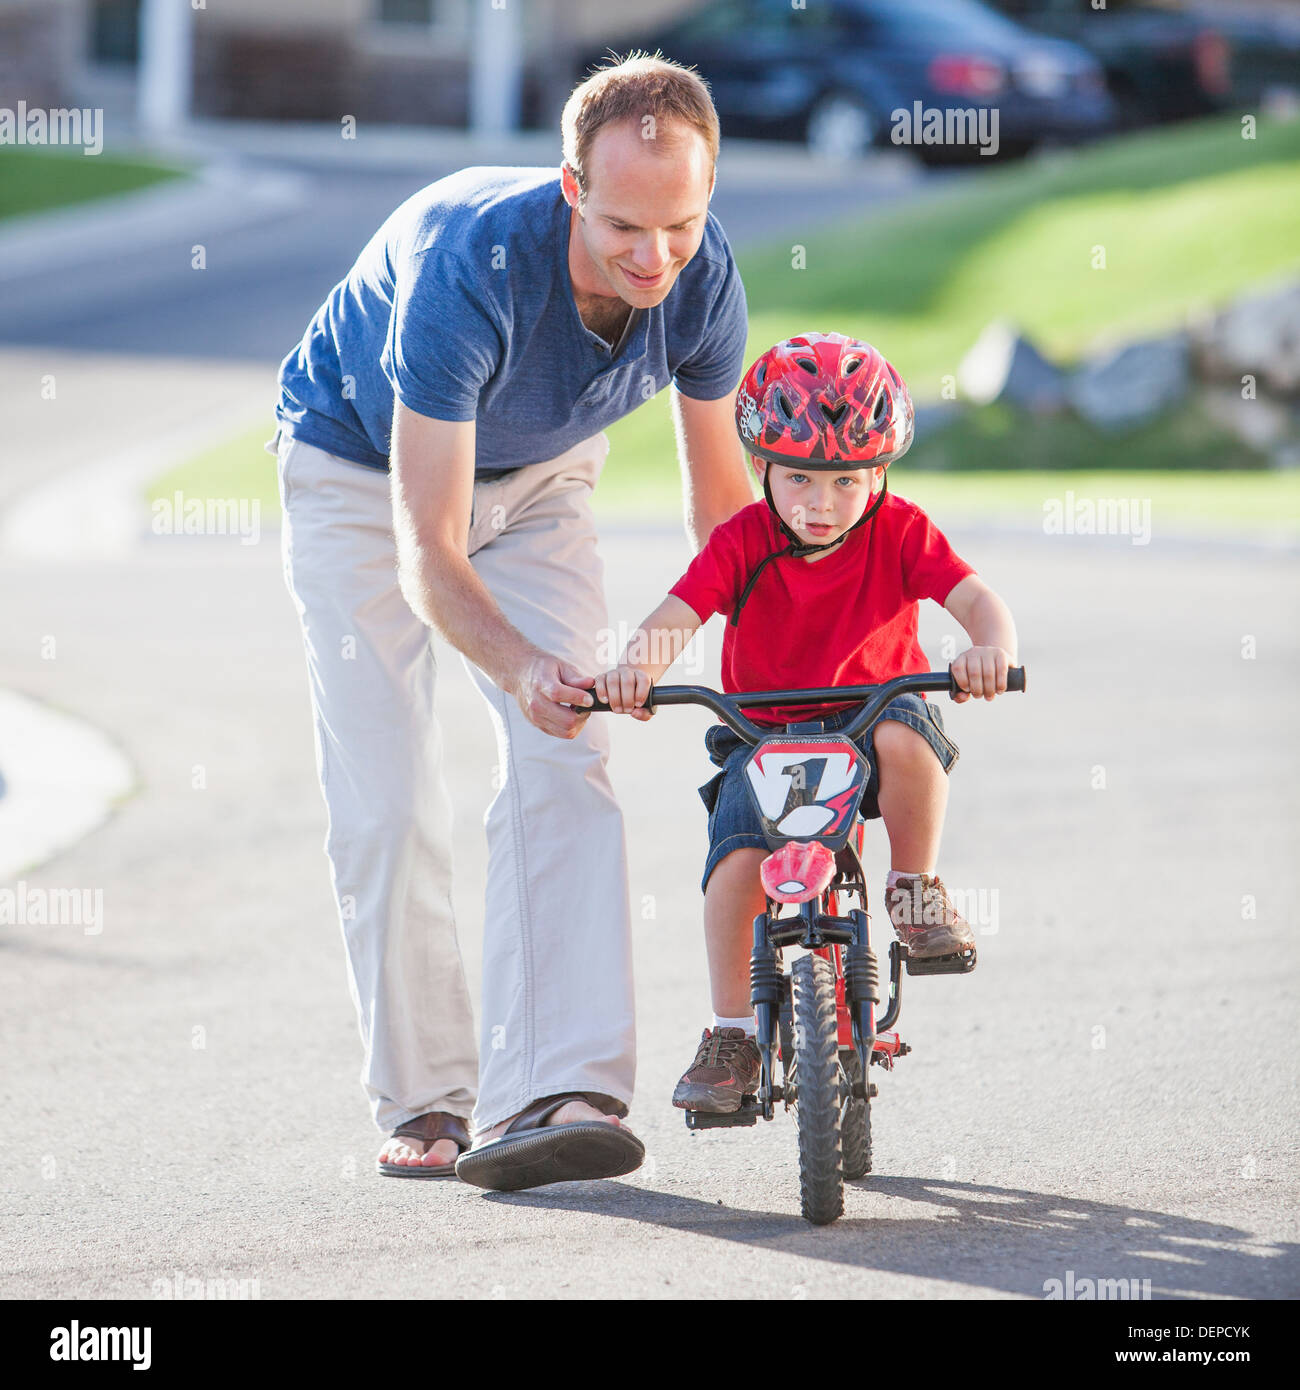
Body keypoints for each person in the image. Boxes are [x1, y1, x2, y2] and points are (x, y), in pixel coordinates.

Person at [270, 54, 754, 1186]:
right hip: (361, 478)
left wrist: (757, 662)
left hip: (538, 476)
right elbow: (428, 549)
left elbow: (724, 511)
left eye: (680, 224)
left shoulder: (701, 273)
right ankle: (429, 1098)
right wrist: (524, 663)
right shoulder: (470, 266)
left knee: (566, 755)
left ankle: (563, 1085)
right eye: (627, 224)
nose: (655, 257)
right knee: (387, 803)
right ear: (572, 188)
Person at [593, 332, 1019, 1114]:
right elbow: (674, 615)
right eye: (798, 479)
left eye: (846, 481)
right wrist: (636, 670)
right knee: (733, 867)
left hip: (868, 715)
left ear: (879, 472)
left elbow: (975, 599)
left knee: (906, 725)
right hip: (763, 735)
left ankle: (913, 888)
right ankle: (733, 1034)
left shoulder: (900, 530)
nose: (820, 503)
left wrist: (991, 648)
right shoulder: (742, 542)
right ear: (762, 469)